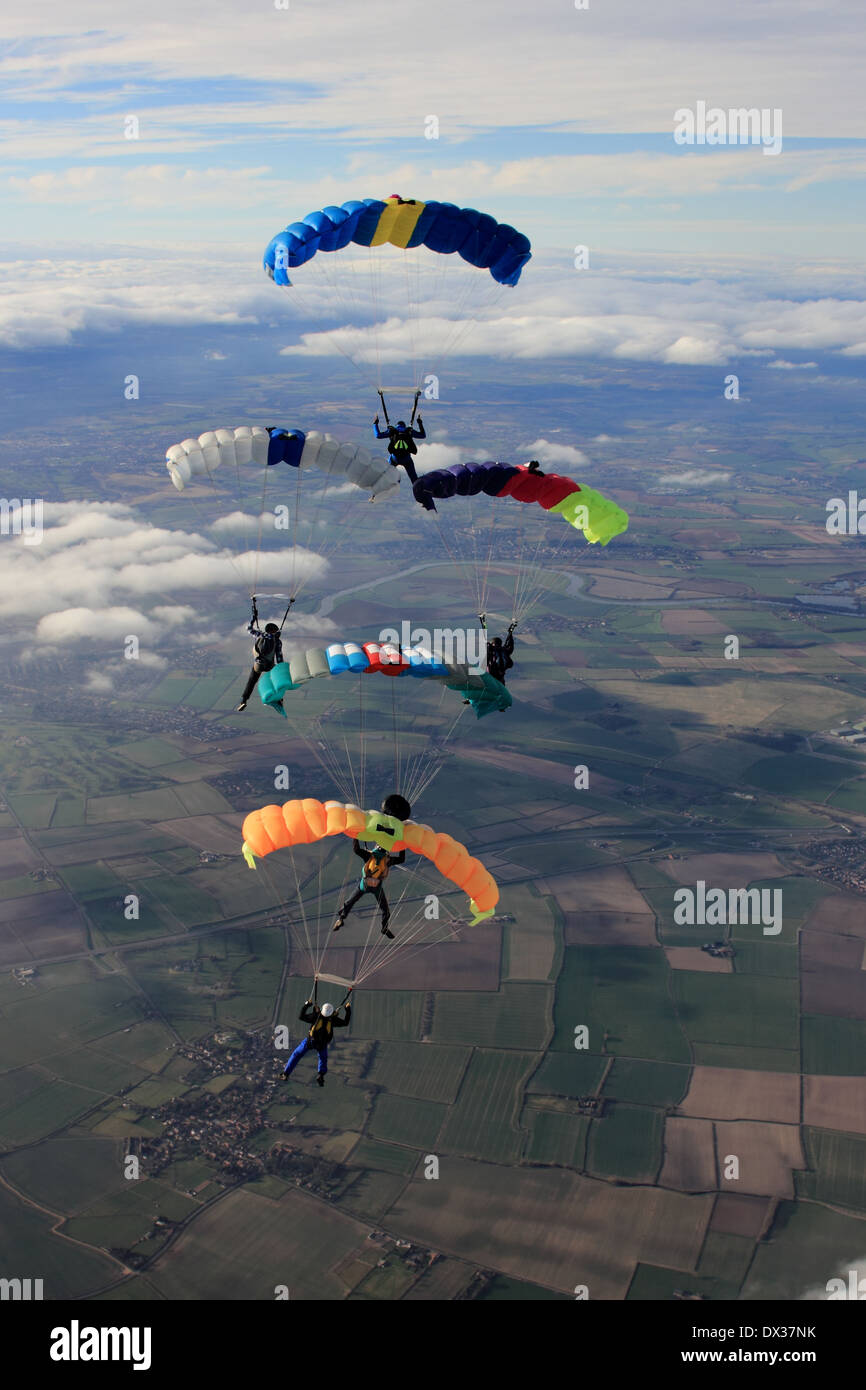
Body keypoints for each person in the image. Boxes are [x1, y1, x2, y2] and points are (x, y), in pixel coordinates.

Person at [333, 840, 405, 939]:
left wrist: (355, 837)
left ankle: (341, 919)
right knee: (385, 910)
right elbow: (401, 859)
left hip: (364, 886)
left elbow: (356, 850)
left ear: (376, 846)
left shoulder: (369, 855)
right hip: (377, 889)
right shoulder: (387, 860)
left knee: (350, 902)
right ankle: (384, 928)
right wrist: (402, 844)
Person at [283, 995, 352, 1087]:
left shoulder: (315, 1016)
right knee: (323, 1059)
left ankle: (286, 1073)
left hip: (310, 1042)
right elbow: (345, 1022)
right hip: (322, 1045)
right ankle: (321, 1075)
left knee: (296, 1054)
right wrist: (348, 1010)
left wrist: (307, 1005)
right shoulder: (333, 1020)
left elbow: (301, 1016)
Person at [373, 414, 435, 510]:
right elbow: (423, 435)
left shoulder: (392, 431)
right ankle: (424, 501)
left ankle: (375, 494)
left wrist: (375, 423)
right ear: (404, 425)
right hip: (407, 460)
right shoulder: (409, 431)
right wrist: (420, 423)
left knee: (385, 475)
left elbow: (378, 435)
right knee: (415, 481)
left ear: (397, 425)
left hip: (394, 459)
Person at [237, 605, 284, 712]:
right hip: (269, 665)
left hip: (258, 665)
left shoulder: (259, 635)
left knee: (251, 681)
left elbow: (248, 628)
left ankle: (244, 701)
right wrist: (281, 669)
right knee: (276, 681)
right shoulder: (277, 641)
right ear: (275, 631)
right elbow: (279, 657)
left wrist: (253, 618)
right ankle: (279, 700)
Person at [478, 614, 516, 684]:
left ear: (492, 643)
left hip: (492, 677)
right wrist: (511, 631)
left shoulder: (490, 650)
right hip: (500, 678)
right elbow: (510, 643)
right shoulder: (505, 650)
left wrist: (482, 621)